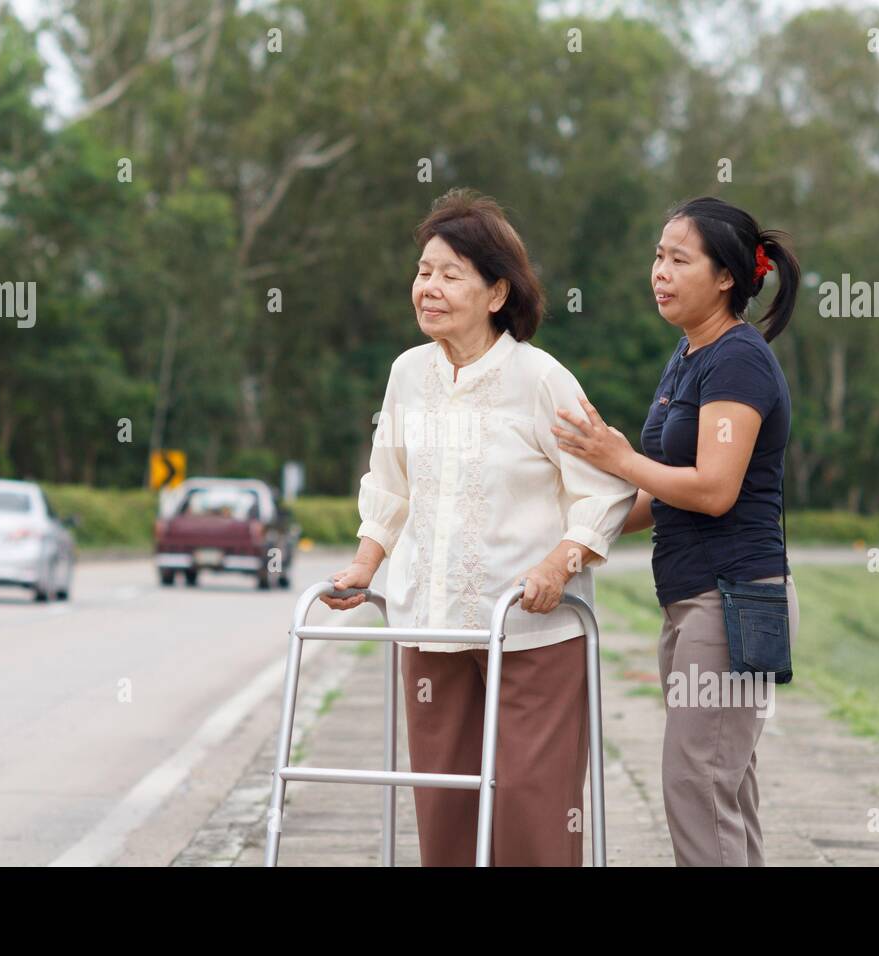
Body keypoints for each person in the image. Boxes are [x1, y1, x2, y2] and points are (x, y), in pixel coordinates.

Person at [321, 187, 635, 866]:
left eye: (449, 275)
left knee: (531, 800)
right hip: (431, 624)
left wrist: (561, 562)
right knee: (444, 801)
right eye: (423, 272)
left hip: (528, 626)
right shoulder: (407, 374)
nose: (428, 287)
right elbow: (390, 484)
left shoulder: (540, 378)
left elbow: (605, 489)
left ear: (496, 293)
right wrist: (365, 563)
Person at [551, 196, 802, 866]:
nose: (659, 271)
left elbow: (715, 490)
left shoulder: (738, 360)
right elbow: (661, 493)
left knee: (698, 781)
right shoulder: (689, 356)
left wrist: (617, 457)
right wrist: (577, 537)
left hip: (734, 598)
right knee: (720, 783)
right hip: (691, 599)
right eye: (658, 256)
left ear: (724, 277)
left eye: (678, 259)